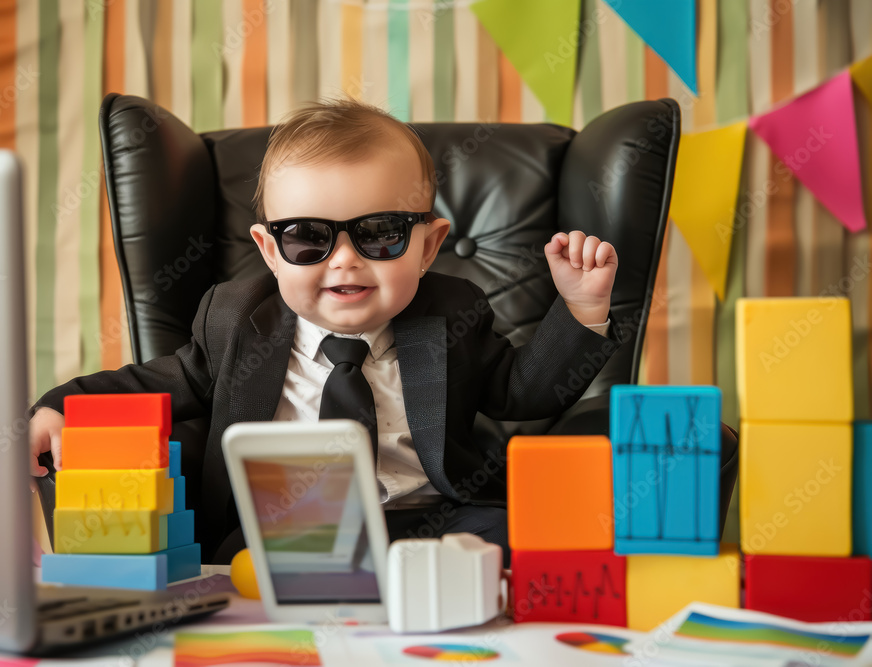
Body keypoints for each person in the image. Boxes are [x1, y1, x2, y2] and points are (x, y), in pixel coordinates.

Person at [30, 98, 620, 564]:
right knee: (244, 562)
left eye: (381, 233)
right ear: (268, 251)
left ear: (429, 246)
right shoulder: (236, 319)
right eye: (307, 238)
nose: (343, 260)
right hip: (284, 526)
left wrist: (581, 308)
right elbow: (154, 382)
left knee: (513, 534)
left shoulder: (452, 314)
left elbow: (524, 393)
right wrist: (58, 408)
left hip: (428, 516)